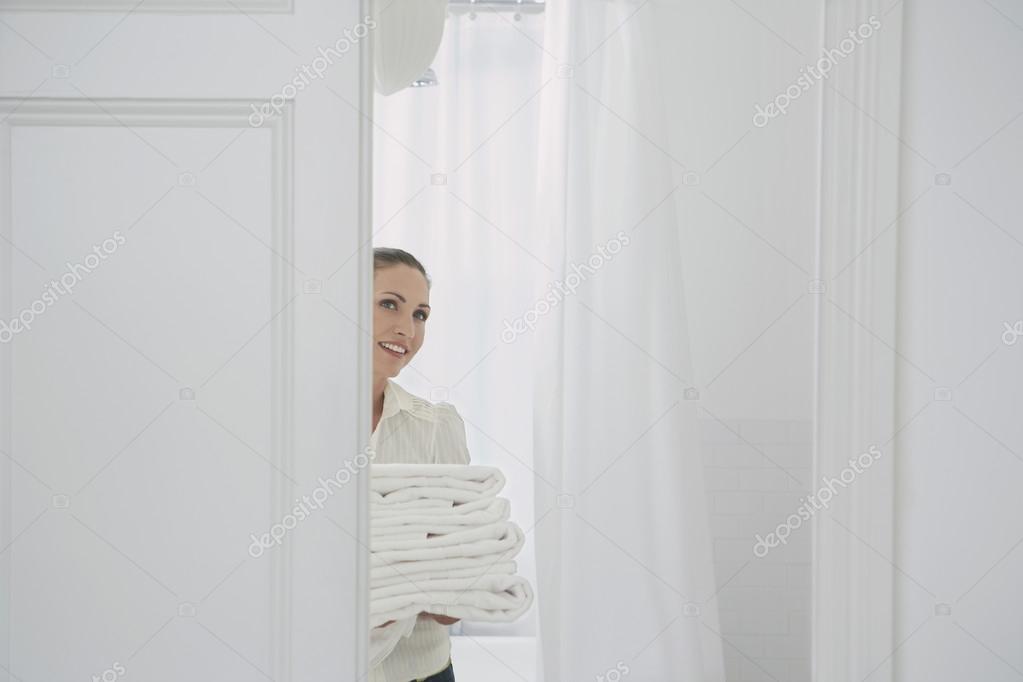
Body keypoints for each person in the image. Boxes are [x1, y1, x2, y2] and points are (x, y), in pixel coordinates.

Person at [369, 247, 469, 682]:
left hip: (420, 672)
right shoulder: (290, 426)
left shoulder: (435, 427)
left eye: (420, 314)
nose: (407, 329)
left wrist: (413, 588)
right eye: (389, 304)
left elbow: (457, 593)